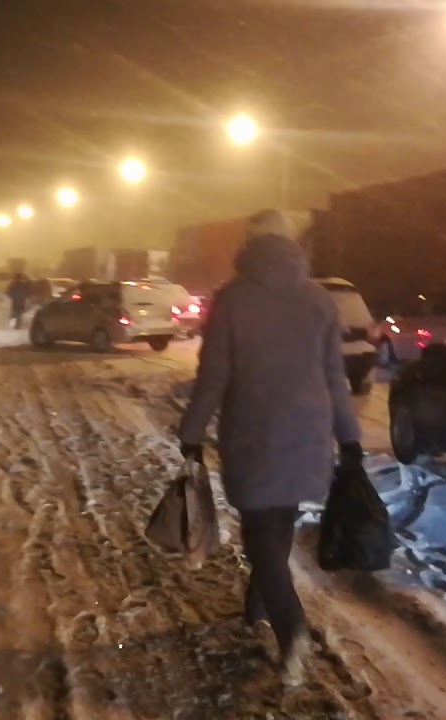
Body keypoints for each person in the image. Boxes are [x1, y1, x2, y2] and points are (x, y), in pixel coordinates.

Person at [176, 209, 362, 686]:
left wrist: (191, 433)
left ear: (249, 246)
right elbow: (335, 379)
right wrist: (350, 439)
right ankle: (255, 611)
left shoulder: (232, 300)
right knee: (277, 524)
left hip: (254, 435)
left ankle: (291, 627)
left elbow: (213, 377)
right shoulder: (319, 300)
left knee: (261, 534)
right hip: (308, 436)